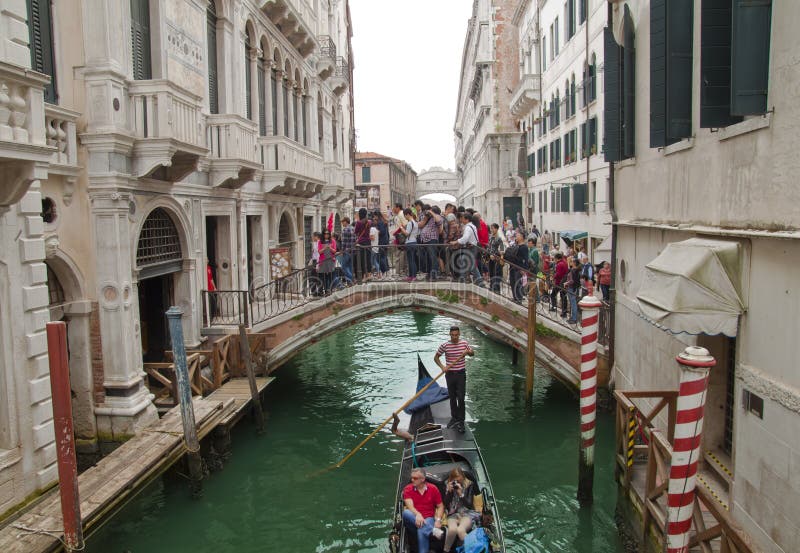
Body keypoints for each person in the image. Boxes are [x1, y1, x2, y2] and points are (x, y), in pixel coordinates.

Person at [434, 326, 475, 433]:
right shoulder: (445, 345)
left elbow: (472, 353)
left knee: (460, 398)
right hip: (450, 374)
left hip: (461, 374)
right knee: (452, 397)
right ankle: (454, 418)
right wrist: (443, 367)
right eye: (452, 335)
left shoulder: (464, 344)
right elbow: (436, 358)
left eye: (456, 335)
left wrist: (468, 352)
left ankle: (461, 421)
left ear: (459, 334)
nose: (454, 337)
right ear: (450, 335)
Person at [402, 468, 445, 553]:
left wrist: (438, 520)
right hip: (413, 517)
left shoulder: (433, 488)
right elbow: (409, 506)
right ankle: (432, 530)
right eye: (412, 478)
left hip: (428, 518)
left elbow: (440, 506)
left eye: (415, 478)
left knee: (421, 530)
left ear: (423, 479)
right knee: (406, 513)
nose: (412, 480)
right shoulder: (408, 488)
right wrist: (418, 514)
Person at [442, 468, 480, 553]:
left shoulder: (469, 484)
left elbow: (469, 505)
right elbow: (445, 504)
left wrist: (461, 494)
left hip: (467, 512)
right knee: (452, 530)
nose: (458, 483)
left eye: (460, 481)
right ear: (452, 480)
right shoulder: (447, 485)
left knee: (460, 530)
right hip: (453, 513)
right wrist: (449, 492)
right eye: (456, 481)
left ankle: (473, 550)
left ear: (463, 478)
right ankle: (446, 550)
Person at [449, 212, 485, 287]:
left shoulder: (468, 227)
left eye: (463, 218)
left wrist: (456, 242)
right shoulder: (472, 226)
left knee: (469, 264)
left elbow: (465, 239)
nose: (461, 220)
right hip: (473, 247)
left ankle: (477, 281)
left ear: (467, 219)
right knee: (465, 262)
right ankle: (465, 279)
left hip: (470, 248)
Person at [506, 231, 529, 303]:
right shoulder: (515, 245)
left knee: (518, 283)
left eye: (518, 235)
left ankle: (519, 298)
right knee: (512, 282)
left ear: (522, 237)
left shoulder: (524, 247)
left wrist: (524, 269)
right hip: (512, 266)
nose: (516, 236)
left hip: (519, 268)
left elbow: (526, 259)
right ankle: (515, 297)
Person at [398, 208, 419, 281]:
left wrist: (401, 228)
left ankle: (412, 276)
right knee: (412, 260)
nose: (405, 217)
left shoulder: (410, 223)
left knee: (411, 260)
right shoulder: (415, 222)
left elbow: (407, 233)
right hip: (414, 242)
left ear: (407, 214)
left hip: (409, 243)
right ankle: (413, 275)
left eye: (405, 215)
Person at [353, 208, 372, 283]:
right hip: (368, 242)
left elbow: (356, 232)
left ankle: (364, 276)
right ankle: (369, 274)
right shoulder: (369, 222)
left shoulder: (358, 223)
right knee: (368, 258)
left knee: (362, 259)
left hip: (361, 243)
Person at [317, 230, 337, 294]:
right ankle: (326, 289)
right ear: (323, 234)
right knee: (324, 276)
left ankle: (331, 289)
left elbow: (334, 251)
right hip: (323, 261)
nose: (327, 235)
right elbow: (319, 252)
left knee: (331, 275)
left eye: (328, 234)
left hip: (331, 261)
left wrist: (330, 248)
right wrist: (325, 248)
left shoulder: (333, 241)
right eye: (325, 234)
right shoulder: (320, 242)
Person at [487, 223, 505, 293]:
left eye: (493, 228)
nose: (492, 230)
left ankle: (497, 289)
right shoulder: (490, 237)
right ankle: (492, 286)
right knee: (491, 272)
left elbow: (502, 249)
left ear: (497, 229)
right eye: (491, 228)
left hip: (496, 258)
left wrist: (496, 255)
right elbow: (489, 247)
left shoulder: (499, 239)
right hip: (489, 258)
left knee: (496, 273)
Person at [338, 217, 355, 285]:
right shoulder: (353, 228)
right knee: (350, 266)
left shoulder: (345, 230)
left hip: (347, 250)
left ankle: (352, 279)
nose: (342, 223)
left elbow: (344, 242)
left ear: (346, 222)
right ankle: (350, 282)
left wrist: (342, 251)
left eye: (342, 222)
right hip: (353, 250)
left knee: (344, 267)